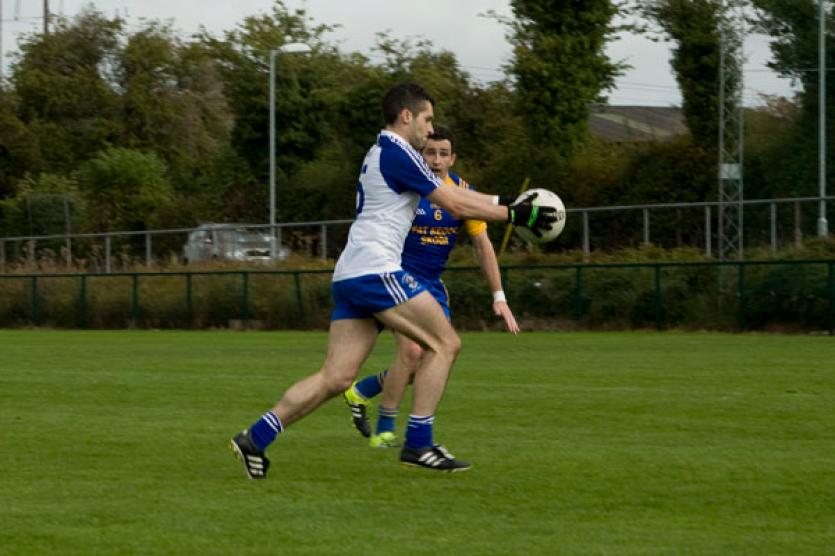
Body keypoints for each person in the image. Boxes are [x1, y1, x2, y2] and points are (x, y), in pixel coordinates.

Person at [230, 82, 556, 477]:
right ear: (407, 116)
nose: (430, 129)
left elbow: (457, 193)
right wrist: (516, 215)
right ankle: (419, 443)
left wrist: (507, 204)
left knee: (336, 377)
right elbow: (452, 202)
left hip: (351, 272)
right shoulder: (398, 152)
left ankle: (255, 438)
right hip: (375, 269)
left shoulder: (384, 152)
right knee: (445, 343)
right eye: (428, 119)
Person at [343, 126, 519, 449]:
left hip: (433, 285)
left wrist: (499, 296)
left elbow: (482, 244)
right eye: (430, 153)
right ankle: (385, 430)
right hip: (396, 278)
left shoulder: (463, 190)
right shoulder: (408, 185)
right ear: (420, 154)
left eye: (443, 154)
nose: (436, 160)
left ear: (453, 158)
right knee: (411, 352)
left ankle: (362, 391)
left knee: (427, 361)